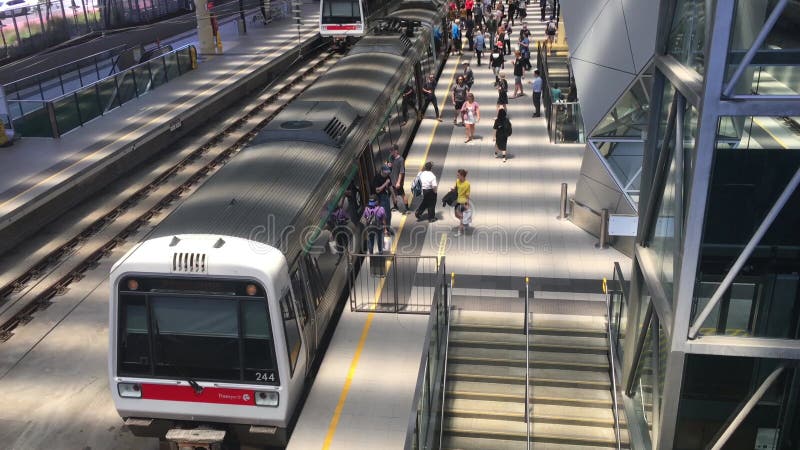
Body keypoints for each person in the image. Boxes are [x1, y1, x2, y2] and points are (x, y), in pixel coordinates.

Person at [387, 144, 407, 212]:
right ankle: (395, 206)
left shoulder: (401, 160)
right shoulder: (391, 157)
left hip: (398, 180)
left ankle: (406, 207)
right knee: (393, 193)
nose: (391, 152)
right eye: (390, 151)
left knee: (402, 193)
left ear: (396, 151)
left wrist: (398, 182)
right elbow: (390, 164)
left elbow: (401, 172)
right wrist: (389, 165)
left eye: (392, 151)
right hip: (391, 178)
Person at [453, 169, 471, 236]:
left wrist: (467, 204)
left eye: (458, 175)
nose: (457, 176)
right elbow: (456, 188)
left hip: (462, 203)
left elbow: (467, 195)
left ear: (462, 176)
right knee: (456, 215)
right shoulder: (457, 181)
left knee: (461, 217)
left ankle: (459, 231)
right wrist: (453, 189)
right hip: (457, 201)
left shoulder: (467, 184)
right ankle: (465, 223)